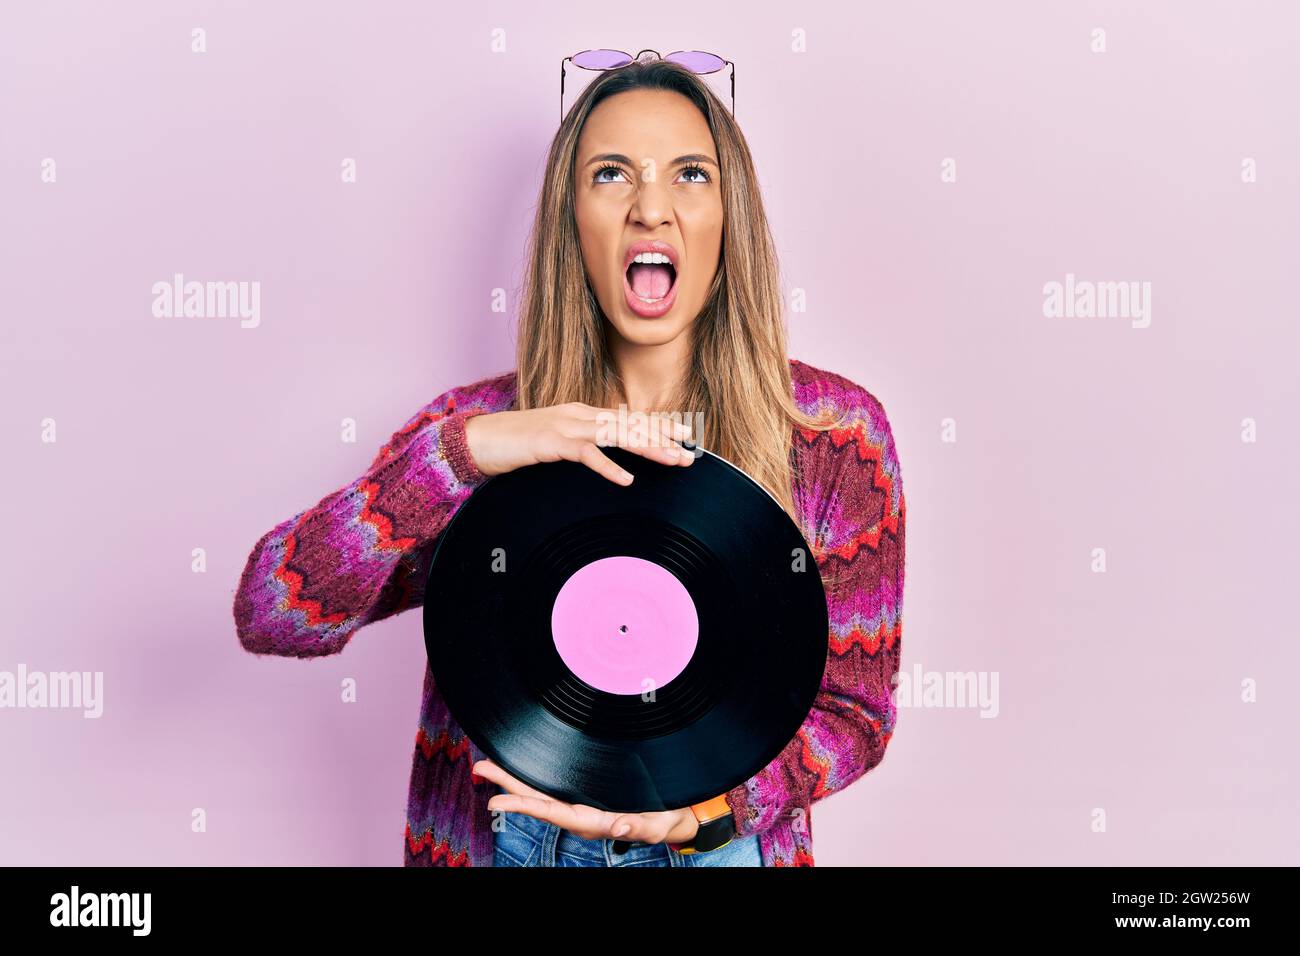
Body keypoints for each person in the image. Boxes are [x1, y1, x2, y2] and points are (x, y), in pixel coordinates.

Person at [232, 58, 905, 867]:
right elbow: (274, 609)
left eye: (689, 175)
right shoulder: (470, 433)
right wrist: (465, 455)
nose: (650, 208)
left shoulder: (835, 439)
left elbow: (855, 714)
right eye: (611, 175)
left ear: (731, 215)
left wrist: (704, 817)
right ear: (570, 218)